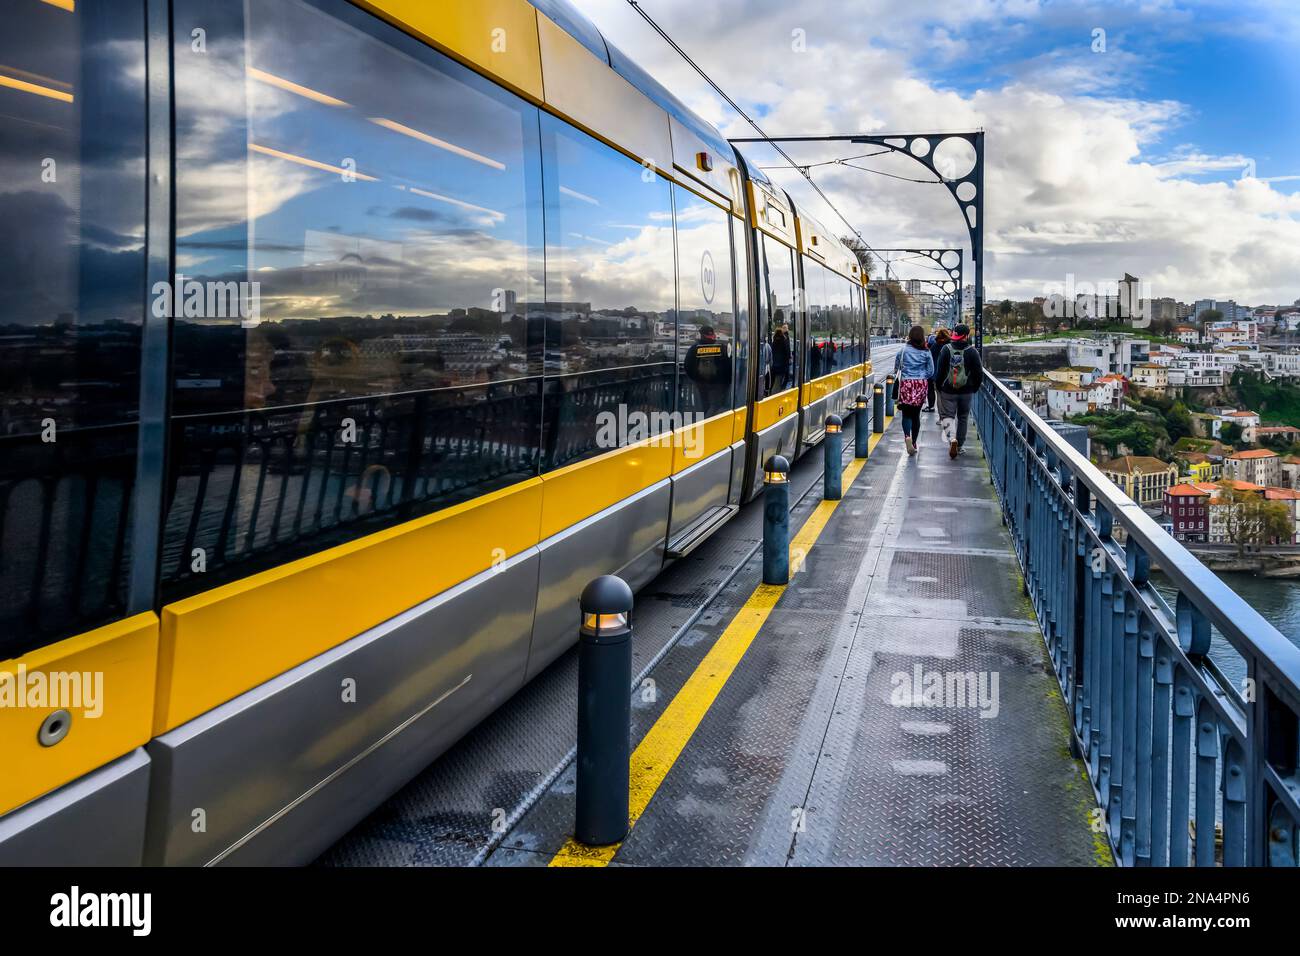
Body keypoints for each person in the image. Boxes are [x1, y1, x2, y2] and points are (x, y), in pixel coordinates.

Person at [934, 323, 984, 459]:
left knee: (947, 416)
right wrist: (975, 387)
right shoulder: (972, 351)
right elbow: (978, 373)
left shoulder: (946, 349)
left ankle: (952, 441)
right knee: (963, 418)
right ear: (967, 336)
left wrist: (939, 386)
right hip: (966, 391)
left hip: (948, 390)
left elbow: (940, 371)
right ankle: (960, 446)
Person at [893, 325, 935, 457]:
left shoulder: (903, 350)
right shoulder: (926, 352)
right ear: (922, 337)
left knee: (906, 414)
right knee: (916, 415)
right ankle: (915, 443)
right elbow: (931, 371)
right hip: (920, 384)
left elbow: (896, 367)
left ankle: (907, 437)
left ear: (910, 336)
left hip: (906, 383)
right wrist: (922, 376)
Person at [684, 325, 732, 415]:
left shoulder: (695, 348)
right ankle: (712, 421)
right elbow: (729, 364)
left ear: (701, 335)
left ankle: (706, 421)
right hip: (719, 384)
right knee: (717, 405)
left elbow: (688, 366)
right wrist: (726, 381)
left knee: (705, 405)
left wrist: (697, 380)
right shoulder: (722, 347)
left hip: (703, 384)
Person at [925, 327, 949, 412]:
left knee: (936, 393)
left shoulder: (935, 345)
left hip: (934, 373)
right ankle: (948, 415)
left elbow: (929, 358)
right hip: (948, 374)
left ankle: (940, 416)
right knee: (946, 395)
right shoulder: (949, 346)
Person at [770, 323, 791, 391]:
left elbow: (772, 353)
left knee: (773, 381)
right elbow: (787, 353)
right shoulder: (784, 341)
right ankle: (781, 390)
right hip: (782, 366)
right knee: (781, 381)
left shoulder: (774, 342)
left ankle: (770, 391)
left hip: (774, 366)